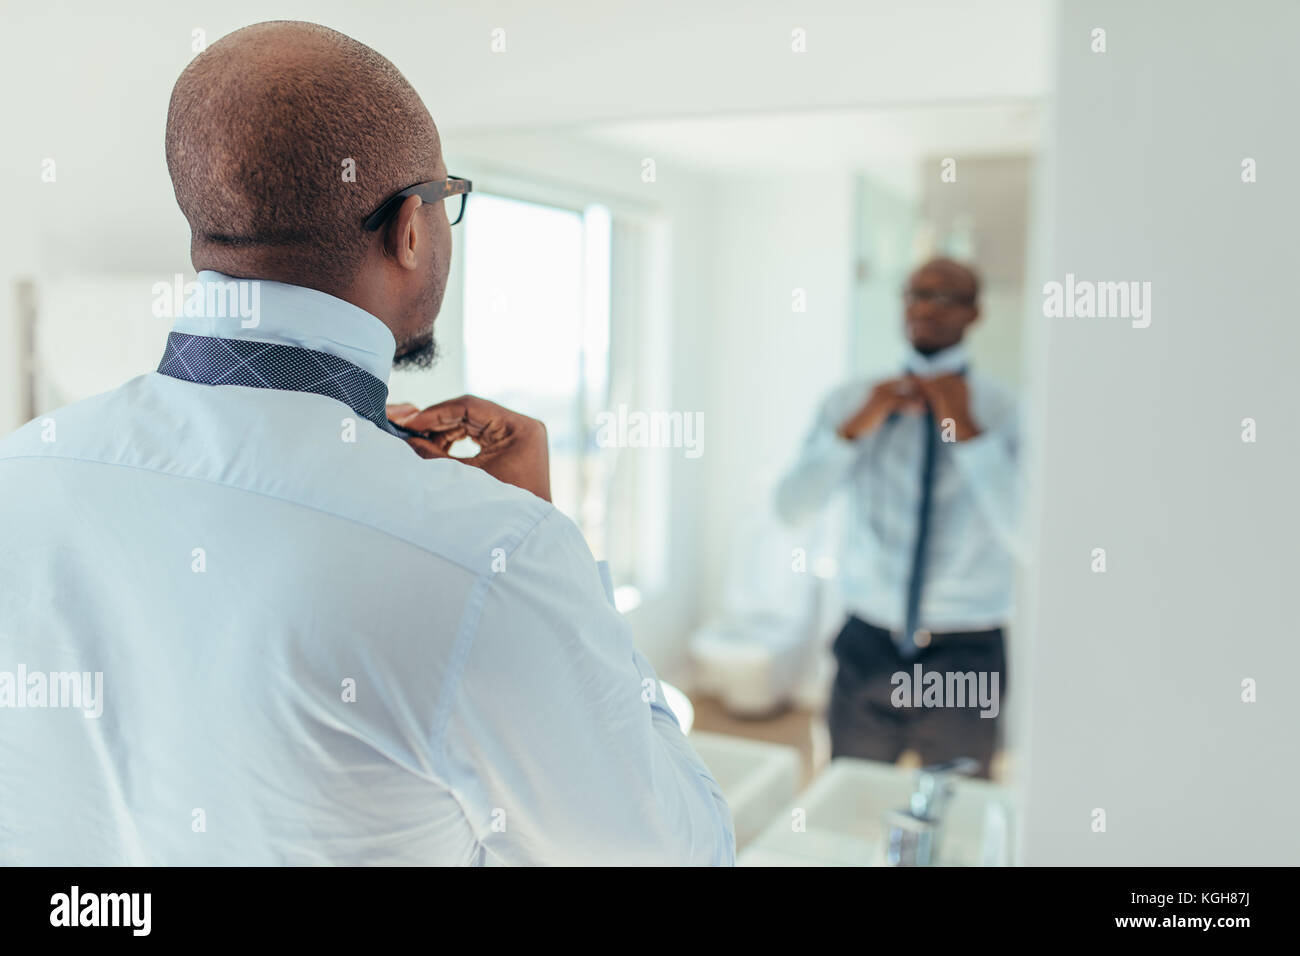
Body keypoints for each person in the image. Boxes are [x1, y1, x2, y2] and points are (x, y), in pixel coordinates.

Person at [0, 21, 734, 866]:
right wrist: (556, 580)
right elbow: (675, 854)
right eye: (448, 199)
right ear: (411, 230)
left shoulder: (22, 474)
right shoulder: (494, 555)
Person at [775, 258, 1019, 778]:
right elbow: (790, 510)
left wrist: (970, 436)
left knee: (959, 817)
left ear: (975, 312)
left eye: (945, 296)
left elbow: (1030, 537)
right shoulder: (851, 402)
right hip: (867, 641)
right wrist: (854, 431)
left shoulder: (1007, 411)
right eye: (915, 293)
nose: (926, 306)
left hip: (966, 650)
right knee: (848, 802)